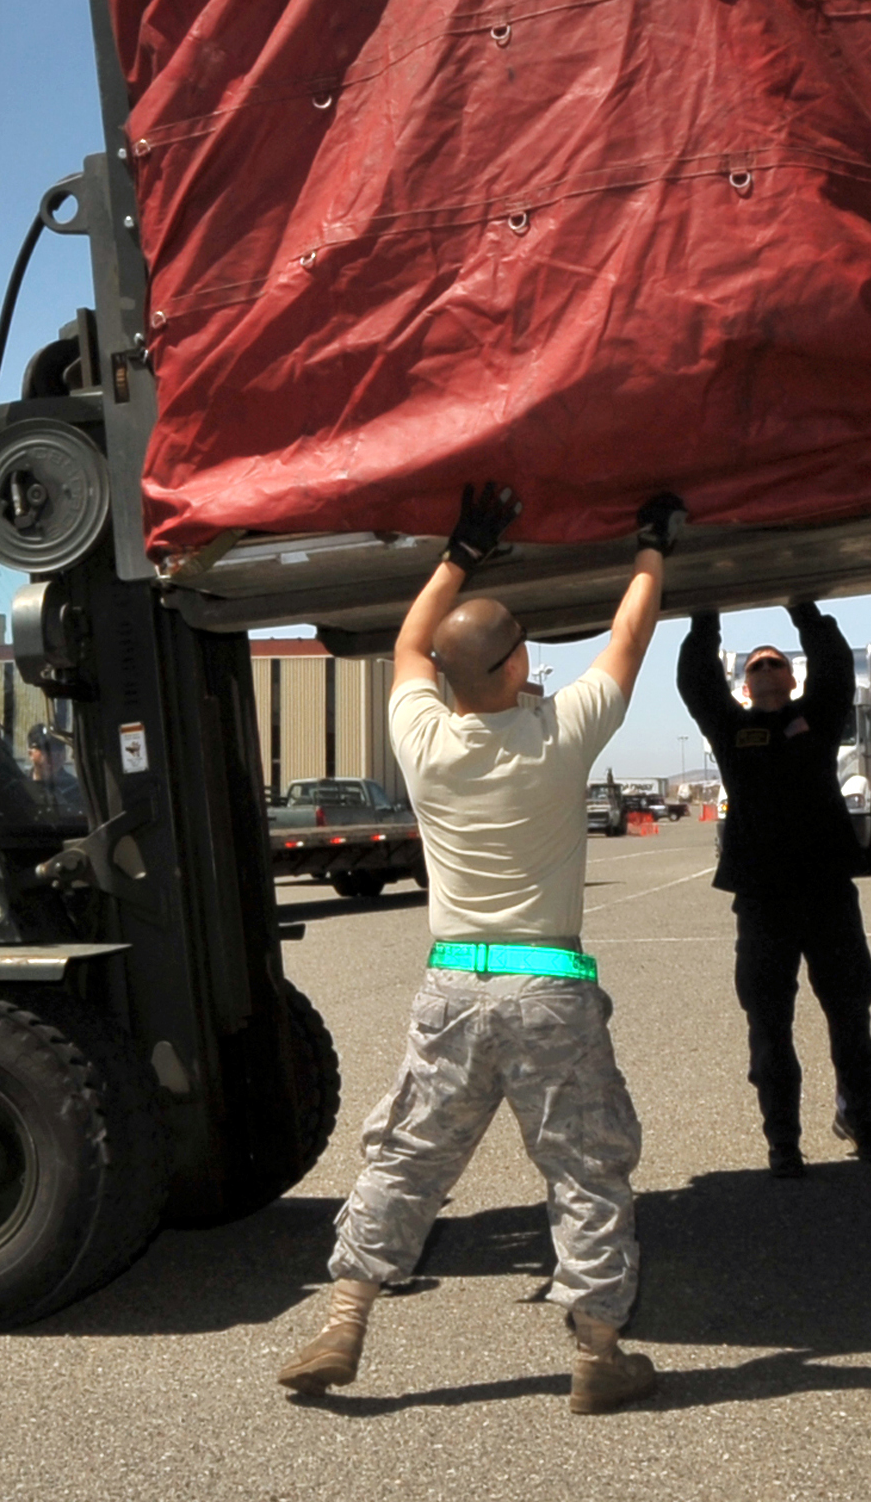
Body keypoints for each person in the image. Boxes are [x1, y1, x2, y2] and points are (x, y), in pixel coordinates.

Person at [279, 483, 683, 1416]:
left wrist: (461, 550)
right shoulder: (558, 735)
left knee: (407, 1158)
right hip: (549, 987)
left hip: (453, 983)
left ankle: (344, 1321)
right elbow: (630, 636)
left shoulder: (420, 739)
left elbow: (411, 647)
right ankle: (598, 1354)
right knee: (585, 1167)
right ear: (520, 661)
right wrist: (653, 546)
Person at [682, 599, 871, 1177]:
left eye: (776, 664)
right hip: (763, 901)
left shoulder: (817, 721)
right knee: (769, 1026)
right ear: (745, 687)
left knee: (851, 1014)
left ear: (792, 678)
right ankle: (783, 1142)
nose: (767, 670)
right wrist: (705, 619)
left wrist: (803, 608)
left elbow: (836, 669)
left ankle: (861, 1120)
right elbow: (696, 684)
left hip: (827, 893)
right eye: (756, 666)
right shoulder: (731, 730)